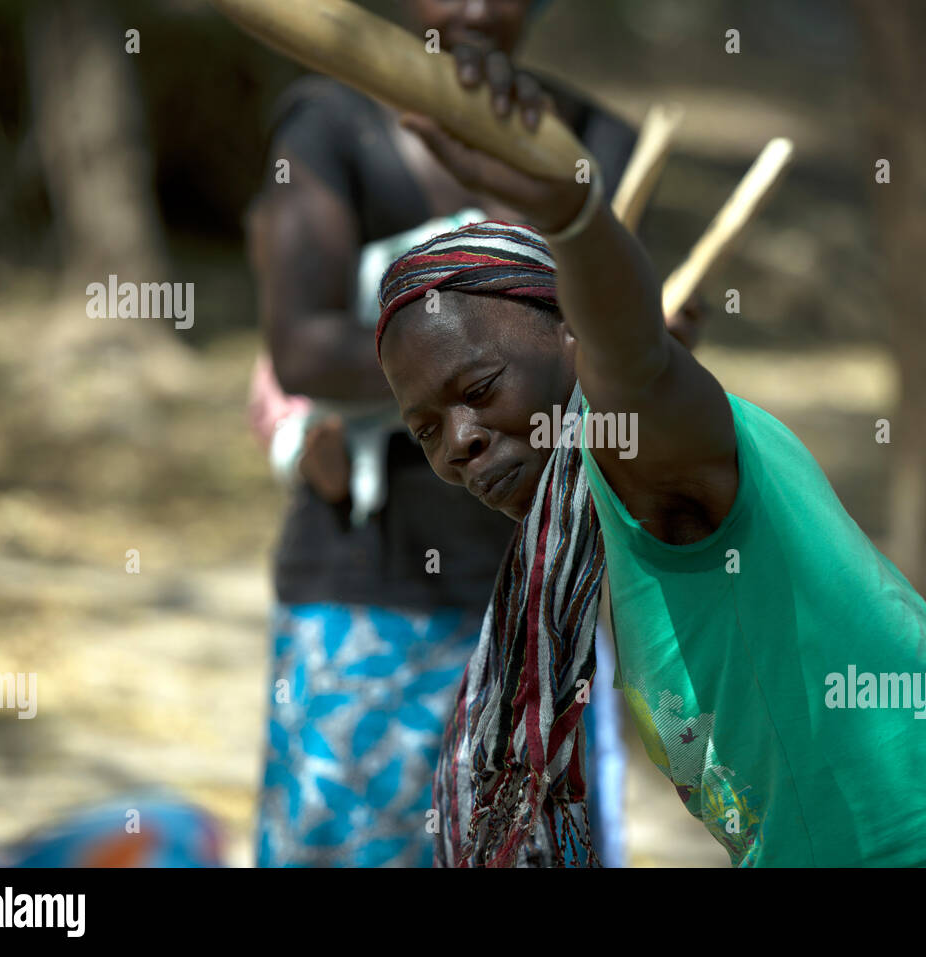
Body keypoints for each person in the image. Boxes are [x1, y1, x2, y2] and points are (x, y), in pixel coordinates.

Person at [369, 63, 926, 867]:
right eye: (424, 431)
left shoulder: (639, 456)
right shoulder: (588, 535)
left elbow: (638, 366)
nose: (459, 442)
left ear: (570, 337)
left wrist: (571, 211)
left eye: (479, 388)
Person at [244, 0, 691, 867]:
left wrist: (644, 345)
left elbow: (604, 357)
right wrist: (505, 346)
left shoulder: (593, 140)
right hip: (371, 592)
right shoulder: (331, 125)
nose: (479, 7)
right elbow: (299, 348)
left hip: (550, 593)